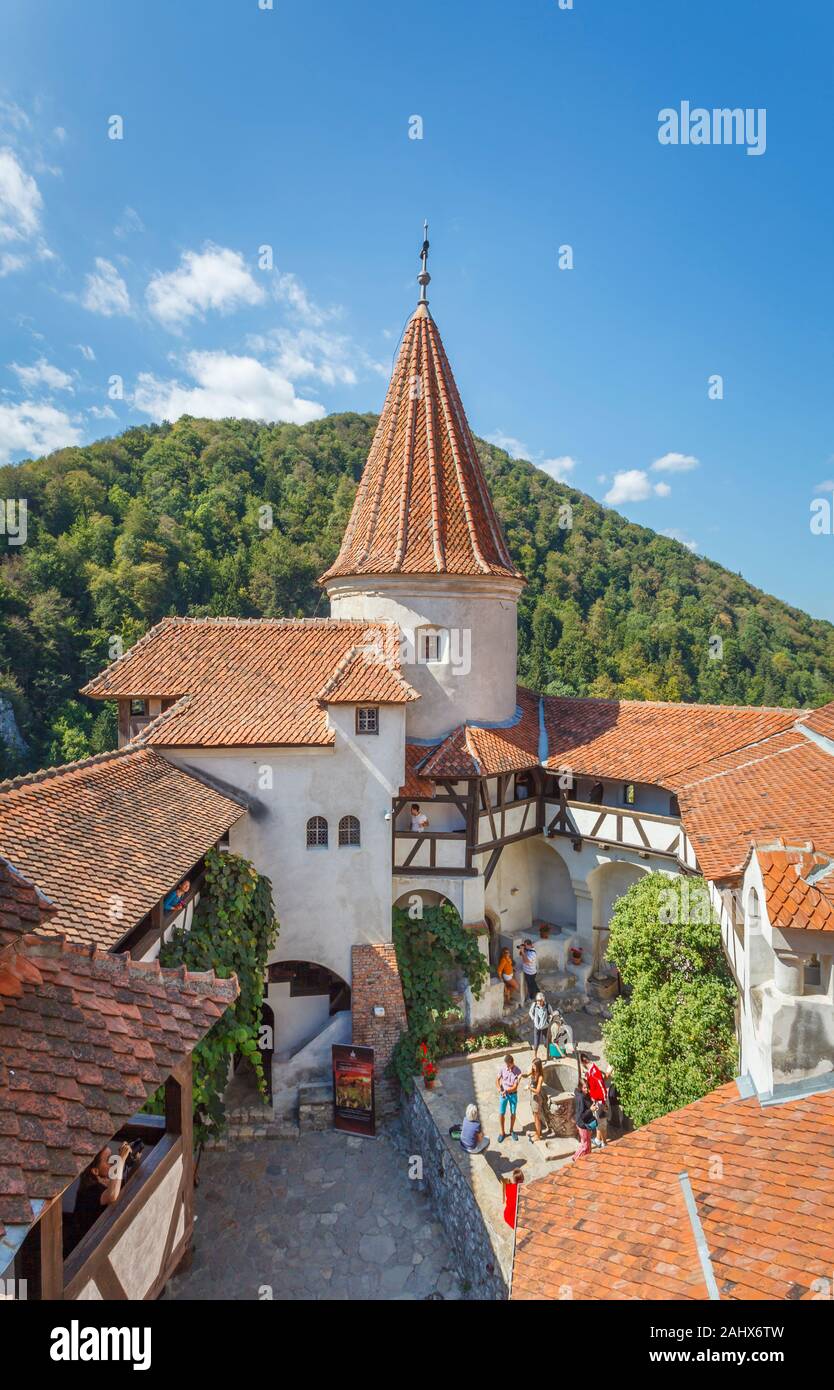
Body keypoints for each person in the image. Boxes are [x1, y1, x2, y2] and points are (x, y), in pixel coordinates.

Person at [74, 1142, 132, 1239]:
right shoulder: (89, 1191)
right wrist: (120, 1160)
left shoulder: (102, 1184)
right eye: (109, 1160)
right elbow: (112, 1195)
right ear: (95, 1171)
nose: (113, 1162)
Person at [496, 1053, 522, 1142]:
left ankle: (511, 1130)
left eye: (508, 1065)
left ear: (512, 1062)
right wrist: (500, 1090)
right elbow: (497, 1080)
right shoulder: (503, 1068)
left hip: (513, 1094)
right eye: (506, 1064)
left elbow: (515, 1087)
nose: (507, 1066)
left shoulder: (518, 1072)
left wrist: (506, 1091)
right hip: (503, 1094)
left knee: (513, 1113)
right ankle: (502, 1132)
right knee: (501, 1113)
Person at [523, 1057, 546, 1142]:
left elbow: (537, 1091)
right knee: (534, 1115)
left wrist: (529, 1087)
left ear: (538, 1066)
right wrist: (521, 1075)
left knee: (537, 1118)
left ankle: (538, 1136)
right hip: (532, 1097)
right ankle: (538, 1132)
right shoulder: (533, 1072)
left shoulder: (540, 1077)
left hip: (537, 1099)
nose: (532, 1067)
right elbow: (527, 1075)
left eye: (534, 1066)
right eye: (532, 1065)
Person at [572, 1082, 594, 1162]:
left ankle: (588, 1157)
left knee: (588, 1142)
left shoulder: (584, 1095)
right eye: (585, 1088)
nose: (587, 1090)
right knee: (585, 1145)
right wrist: (590, 1110)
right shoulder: (581, 1098)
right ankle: (575, 1158)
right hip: (582, 1124)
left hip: (586, 1122)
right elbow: (582, 1115)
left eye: (588, 1088)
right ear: (581, 1088)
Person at [529, 991, 554, 1058]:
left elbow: (552, 1014)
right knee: (536, 1042)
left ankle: (549, 1054)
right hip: (537, 1027)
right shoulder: (534, 1005)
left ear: (543, 1000)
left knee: (546, 1043)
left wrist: (549, 1020)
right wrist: (533, 1018)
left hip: (545, 1027)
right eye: (537, 1001)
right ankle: (535, 1056)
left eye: (540, 1001)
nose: (539, 1002)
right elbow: (530, 1012)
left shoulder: (547, 1006)